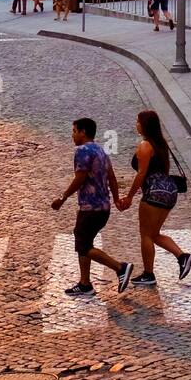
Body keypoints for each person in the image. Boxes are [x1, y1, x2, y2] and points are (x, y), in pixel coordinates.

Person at [52, 118, 133, 296]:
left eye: (74, 131)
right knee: (84, 241)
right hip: (103, 207)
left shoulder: (82, 151)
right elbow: (111, 177)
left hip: (90, 208)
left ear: (83, 132)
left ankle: (120, 268)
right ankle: (85, 283)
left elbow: (80, 178)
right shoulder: (101, 150)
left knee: (83, 245)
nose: (72, 135)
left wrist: (62, 198)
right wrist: (116, 199)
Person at [118, 109, 191, 288]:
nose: (136, 124)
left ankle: (148, 273)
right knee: (154, 234)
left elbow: (142, 174)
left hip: (153, 193)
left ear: (145, 125)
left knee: (145, 235)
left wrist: (129, 196)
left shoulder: (145, 145)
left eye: (138, 121)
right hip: (169, 192)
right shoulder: (160, 143)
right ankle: (183, 257)